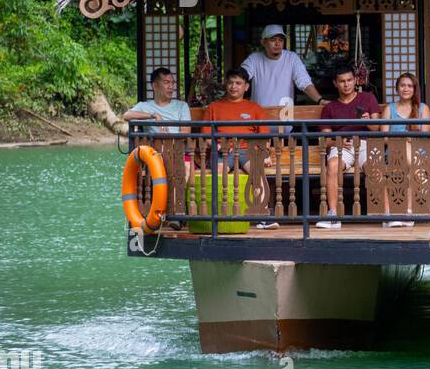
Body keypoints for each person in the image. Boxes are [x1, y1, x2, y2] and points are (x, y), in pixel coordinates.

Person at [201, 67, 276, 228]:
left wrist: (265, 153)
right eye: (230, 82)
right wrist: (219, 146)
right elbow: (206, 135)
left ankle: (263, 216)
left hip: (248, 151)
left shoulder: (255, 108)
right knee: (219, 175)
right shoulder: (213, 107)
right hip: (224, 152)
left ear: (246, 87)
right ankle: (222, 214)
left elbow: (264, 136)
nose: (233, 86)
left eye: (238, 83)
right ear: (225, 85)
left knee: (257, 174)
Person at [315, 64, 380, 229]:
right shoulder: (329, 108)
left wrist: (368, 122)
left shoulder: (367, 98)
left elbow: (377, 128)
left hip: (365, 143)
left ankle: (385, 214)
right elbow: (325, 140)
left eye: (350, 80)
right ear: (335, 83)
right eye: (342, 81)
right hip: (342, 146)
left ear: (355, 80)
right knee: (332, 164)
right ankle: (333, 215)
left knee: (375, 167)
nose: (346, 84)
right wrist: (338, 141)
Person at [380, 72, 430, 227]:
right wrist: (401, 141)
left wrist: (410, 140)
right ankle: (394, 213)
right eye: (402, 85)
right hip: (394, 152)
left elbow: (425, 136)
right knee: (402, 154)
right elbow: (383, 137)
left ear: (414, 89)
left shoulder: (423, 109)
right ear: (397, 88)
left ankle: (407, 211)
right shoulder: (389, 109)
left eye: (410, 86)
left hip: (416, 153)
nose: (406, 89)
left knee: (410, 156)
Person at [241, 24, 323, 108]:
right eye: (273, 40)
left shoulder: (291, 58)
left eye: (281, 40)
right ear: (263, 42)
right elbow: (241, 75)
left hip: (285, 114)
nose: (277, 44)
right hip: (259, 113)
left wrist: (320, 100)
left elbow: (304, 82)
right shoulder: (254, 59)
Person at [124, 67, 191, 133]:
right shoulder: (144, 106)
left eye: (172, 83)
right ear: (155, 86)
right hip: (152, 143)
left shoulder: (182, 106)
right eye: (166, 82)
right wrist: (154, 116)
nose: (171, 87)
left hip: (176, 143)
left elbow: (185, 133)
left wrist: (168, 138)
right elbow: (126, 115)